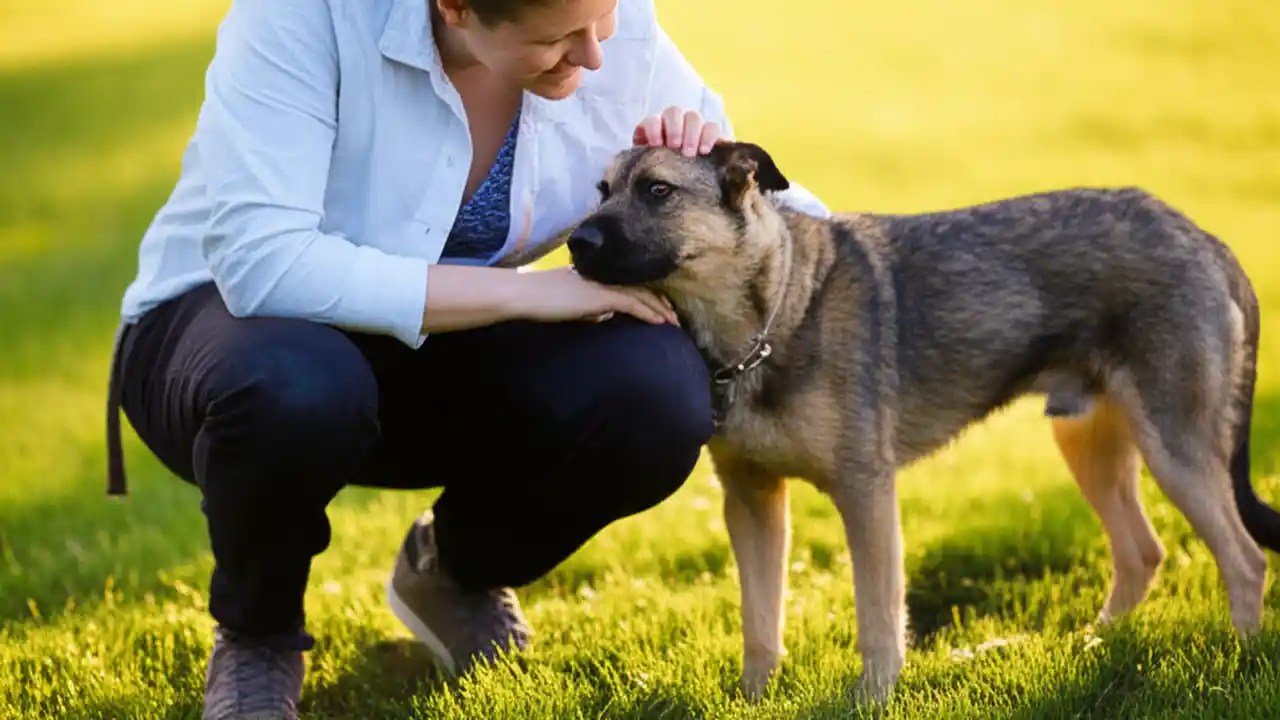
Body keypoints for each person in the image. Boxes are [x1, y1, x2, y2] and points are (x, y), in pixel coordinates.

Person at [105, 0, 829, 716]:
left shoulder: (607, 25)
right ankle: (258, 637)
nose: (595, 56)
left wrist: (893, 276)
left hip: (442, 354)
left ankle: (454, 572)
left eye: (602, 23)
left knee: (657, 393)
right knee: (297, 385)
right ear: (454, 7)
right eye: (558, 38)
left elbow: (762, 210)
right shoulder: (304, 17)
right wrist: (531, 296)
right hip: (238, 340)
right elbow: (262, 264)